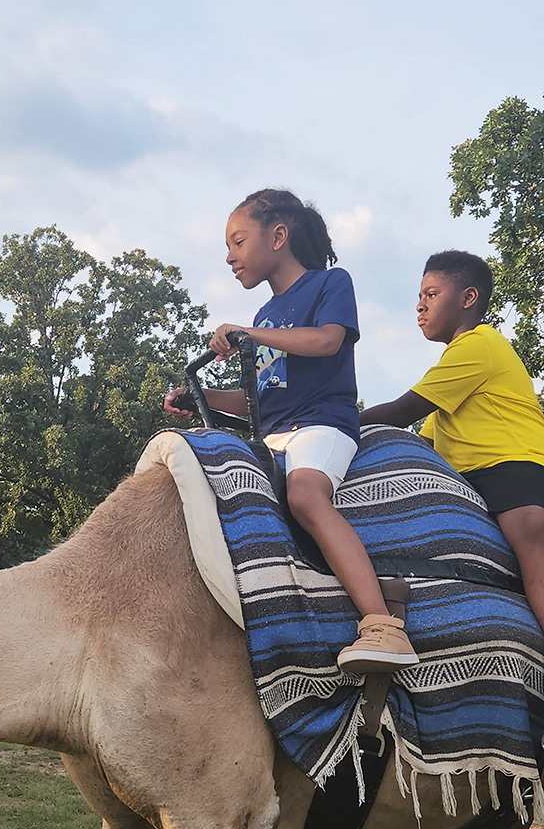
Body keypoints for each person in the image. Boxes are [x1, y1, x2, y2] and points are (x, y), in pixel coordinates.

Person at [164, 188, 419, 673]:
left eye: (238, 241)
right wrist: (199, 400)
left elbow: (326, 341)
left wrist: (250, 335)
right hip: (273, 434)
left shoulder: (330, 284)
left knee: (304, 495)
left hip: (322, 424)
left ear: (278, 236)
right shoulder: (262, 318)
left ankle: (382, 625)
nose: (229, 256)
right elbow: (258, 399)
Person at [359, 249, 544, 633]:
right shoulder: (451, 376)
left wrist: (330, 421)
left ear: (468, 298)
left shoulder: (480, 345)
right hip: (478, 481)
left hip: (513, 467)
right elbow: (420, 444)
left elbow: (399, 412)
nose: (419, 306)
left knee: (536, 566)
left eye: (431, 294)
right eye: (420, 296)